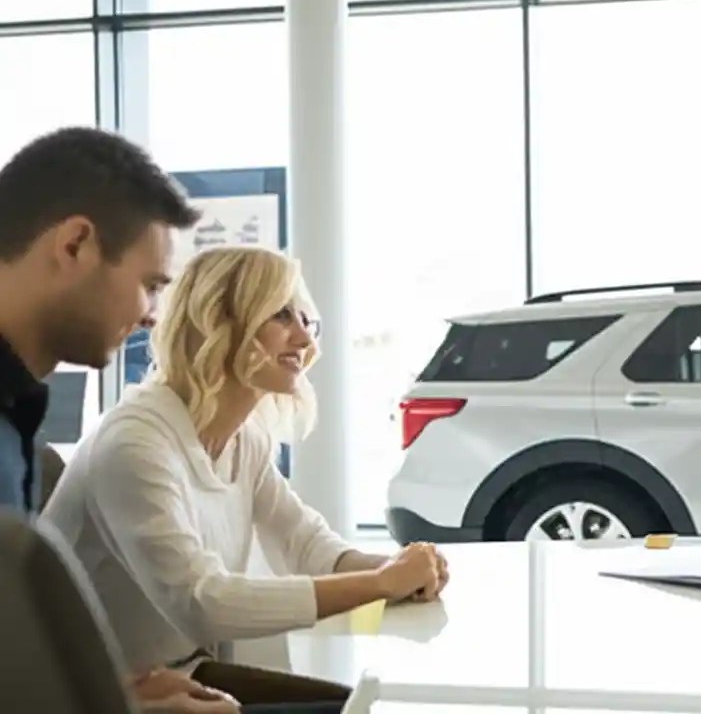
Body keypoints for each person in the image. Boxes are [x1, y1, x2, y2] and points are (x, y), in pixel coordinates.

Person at [42, 245, 449, 707]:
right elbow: (203, 602)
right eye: (280, 316)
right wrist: (380, 584)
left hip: (178, 674)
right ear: (220, 325)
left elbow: (308, 546)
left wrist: (398, 571)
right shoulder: (136, 442)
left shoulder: (244, 438)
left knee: (367, 706)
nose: (304, 339)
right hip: (91, 697)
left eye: (304, 318)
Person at [0, 126, 248, 712]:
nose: (152, 318)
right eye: (149, 286)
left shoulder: (17, 423)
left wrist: (107, 699)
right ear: (76, 244)